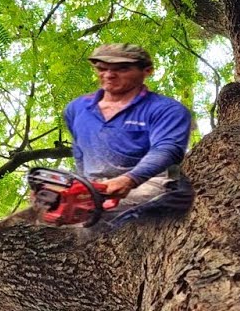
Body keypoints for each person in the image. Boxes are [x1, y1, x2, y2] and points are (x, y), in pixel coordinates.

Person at [61, 43, 194, 228]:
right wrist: (80, 184)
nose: (108, 75)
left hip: (150, 183)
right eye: (101, 68)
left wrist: (129, 179)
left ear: (147, 71)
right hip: (95, 187)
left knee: (87, 221)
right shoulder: (76, 108)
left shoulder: (166, 109)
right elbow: (80, 150)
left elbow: (167, 149)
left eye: (121, 69)